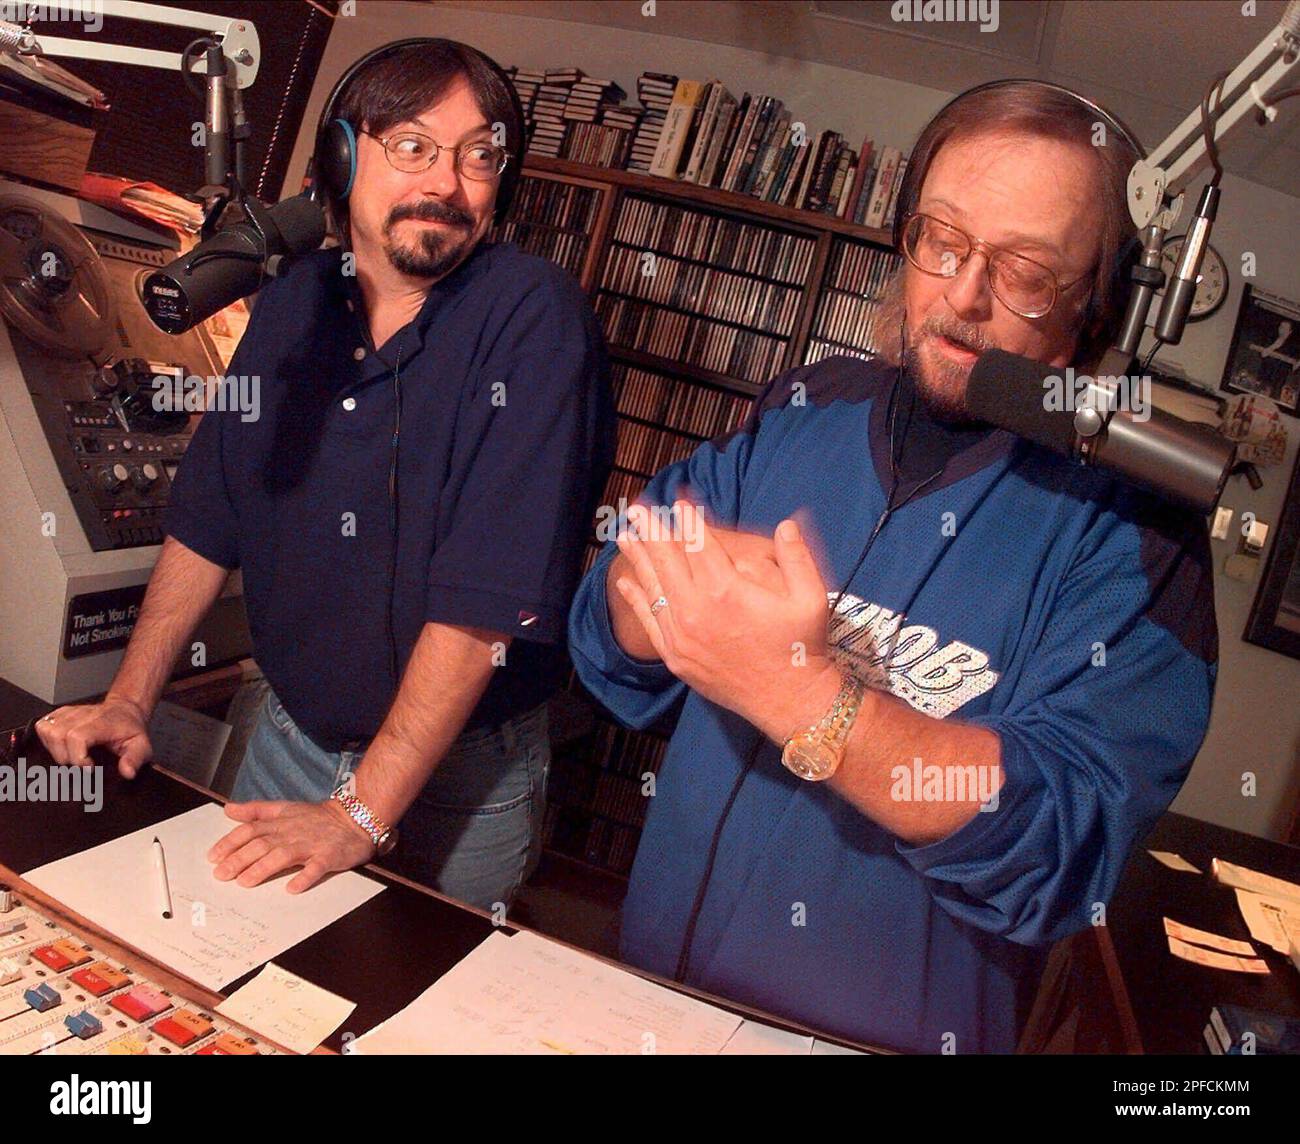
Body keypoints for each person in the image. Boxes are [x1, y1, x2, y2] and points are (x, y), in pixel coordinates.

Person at [568, 80, 1217, 1053]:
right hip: (648, 1005)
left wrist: (804, 696)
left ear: (1095, 308)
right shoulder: (804, 404)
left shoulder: (1138, 529)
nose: (963, 295)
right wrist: (658, 593)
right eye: (942, 241)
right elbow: (605, 626)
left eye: (1026, 270)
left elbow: (1061, 847)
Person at [37, 39, 615, 912]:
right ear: (343, 156)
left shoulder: (536, 319)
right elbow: (207, 517)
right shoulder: (297, 299)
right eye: (414, 146)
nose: (449, 185)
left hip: (458, 779)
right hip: (289, 741)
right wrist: (129, 700)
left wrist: (359, 813)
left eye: (480, 156)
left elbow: (481, 607)